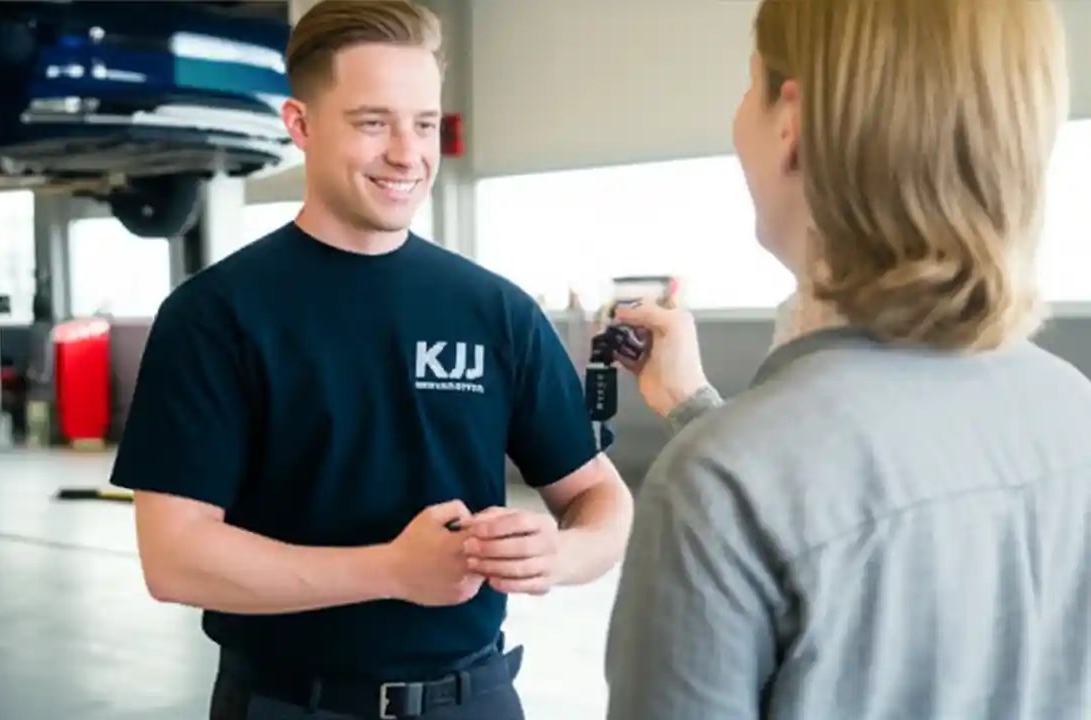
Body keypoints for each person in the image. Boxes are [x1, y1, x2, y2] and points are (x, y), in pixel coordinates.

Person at [108, 1, 634, 718]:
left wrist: (558, 555)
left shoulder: (496, 312)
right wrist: (390, 570)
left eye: (424, 124)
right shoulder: (216, 316)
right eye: (373, 122)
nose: (407, 153)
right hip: (292, 705)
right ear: (301, 124)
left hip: (474, 699)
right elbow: (174, 559)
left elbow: (599, 496)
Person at [603, 0, 1087, 718]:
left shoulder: (718, 487)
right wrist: (695, 409)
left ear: (791, 127)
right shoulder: (1072, 409)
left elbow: (801, 494)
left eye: (750, 87)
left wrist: (716, 451)